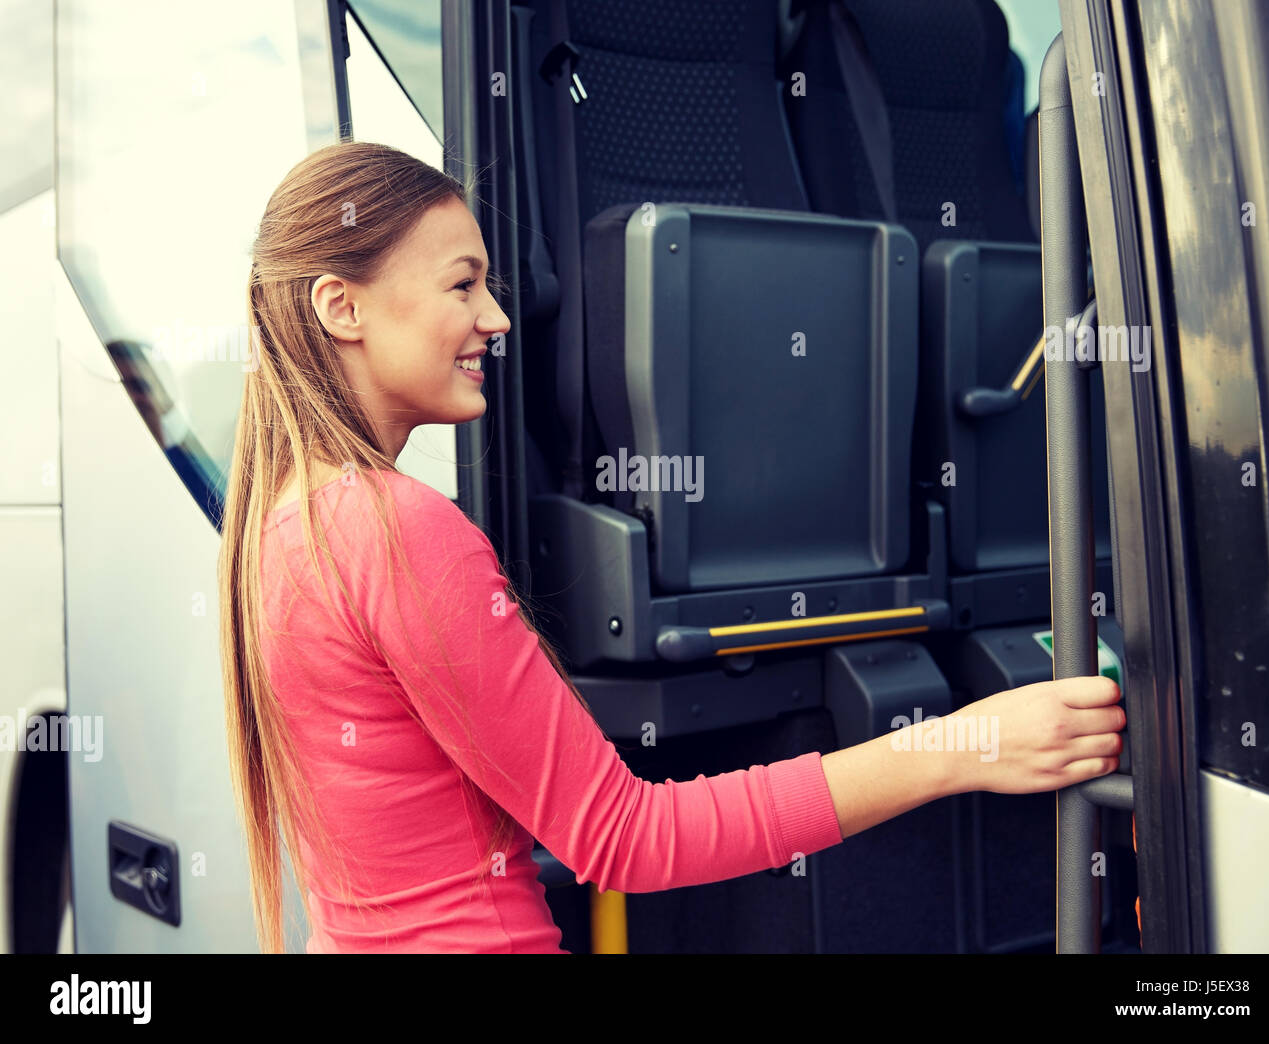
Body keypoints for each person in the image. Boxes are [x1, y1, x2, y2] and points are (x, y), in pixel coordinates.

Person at [217, 141, 1125, 954]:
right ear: (342, 306)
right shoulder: (396, 531)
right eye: (463, 285)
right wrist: (963, 747)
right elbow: (626, 836)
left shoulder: (279, 528)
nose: (496, 318)